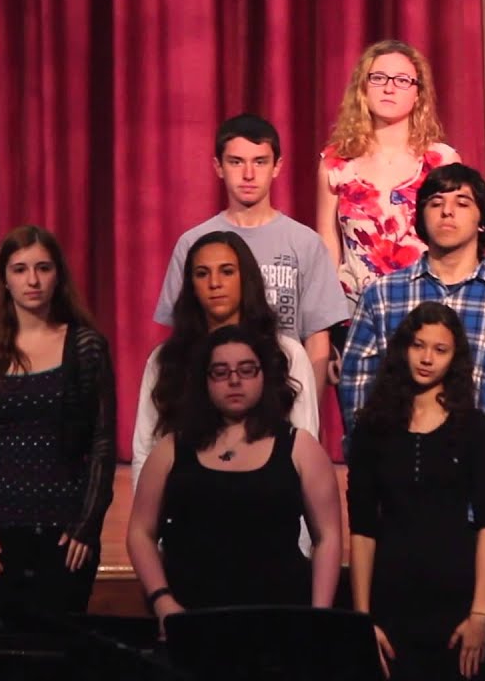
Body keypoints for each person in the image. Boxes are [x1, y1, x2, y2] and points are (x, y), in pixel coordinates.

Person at [340, 163, 485, 679]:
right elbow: (357, 389)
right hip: (403, 513)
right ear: (420, 217)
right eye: (436, 203)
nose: (448, 212)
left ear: (482, 219)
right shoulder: (383, 295)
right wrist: (379, 472)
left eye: (461, 203)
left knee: (481, 659)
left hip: (484, 514)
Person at [127, 325, 342, 636]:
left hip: (279, 620)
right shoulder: (171, 449)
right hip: (192, 619)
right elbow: (140, 532)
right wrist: (162, 600)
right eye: (220, 372)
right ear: (204, 381)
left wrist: (319, 617)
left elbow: (328, 536)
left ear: (264, 376)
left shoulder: (300, 447)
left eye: (246, 370)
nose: (234, 380)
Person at [0, 226, 115, 620]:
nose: (33, 280)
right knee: (7, 643)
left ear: (58, 275)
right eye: (20, 269)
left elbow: (101, 442)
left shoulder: (86, 348)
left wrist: (87, 525)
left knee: (64, 641)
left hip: (67, 532)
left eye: (43, 268)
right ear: (4, 279)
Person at [347, 302, 485, 681]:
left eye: (440, 349)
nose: (427, 359)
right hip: (390, 600)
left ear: (455, 357)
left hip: (455, 605)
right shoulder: (373, 426)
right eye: (419, 346)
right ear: (404, 348)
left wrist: (480, 614)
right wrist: (362, 619)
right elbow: (362, 529)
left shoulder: (473, 427)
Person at [154, 113, 347, 397]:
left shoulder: (306, 243)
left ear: (277, 166)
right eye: (236, 162)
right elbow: (182, 334)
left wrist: (308, 412)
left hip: (284, 398)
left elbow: (318, 340)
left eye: (260, 162)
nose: (248, 174)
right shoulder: (193, 244)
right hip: (210, 399)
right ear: (218, 167)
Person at [132, 231, 319, 487]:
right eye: (202, 273)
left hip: (269, 501)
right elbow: (145, 450)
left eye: (227, 271)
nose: (214, 283)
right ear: (190, 285)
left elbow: (306, 451)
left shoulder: (286, 354)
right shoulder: (166, 360)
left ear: (246, 279)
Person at [317, 39, 461, 317]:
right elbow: (328, 243)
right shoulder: (336, 163)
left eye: (402, 80)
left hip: (427, 311)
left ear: (418, 93)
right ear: (363, 88)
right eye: (379, 78)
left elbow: (457, 241)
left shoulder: (442, 161)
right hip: (356, 313)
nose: (389, 88)